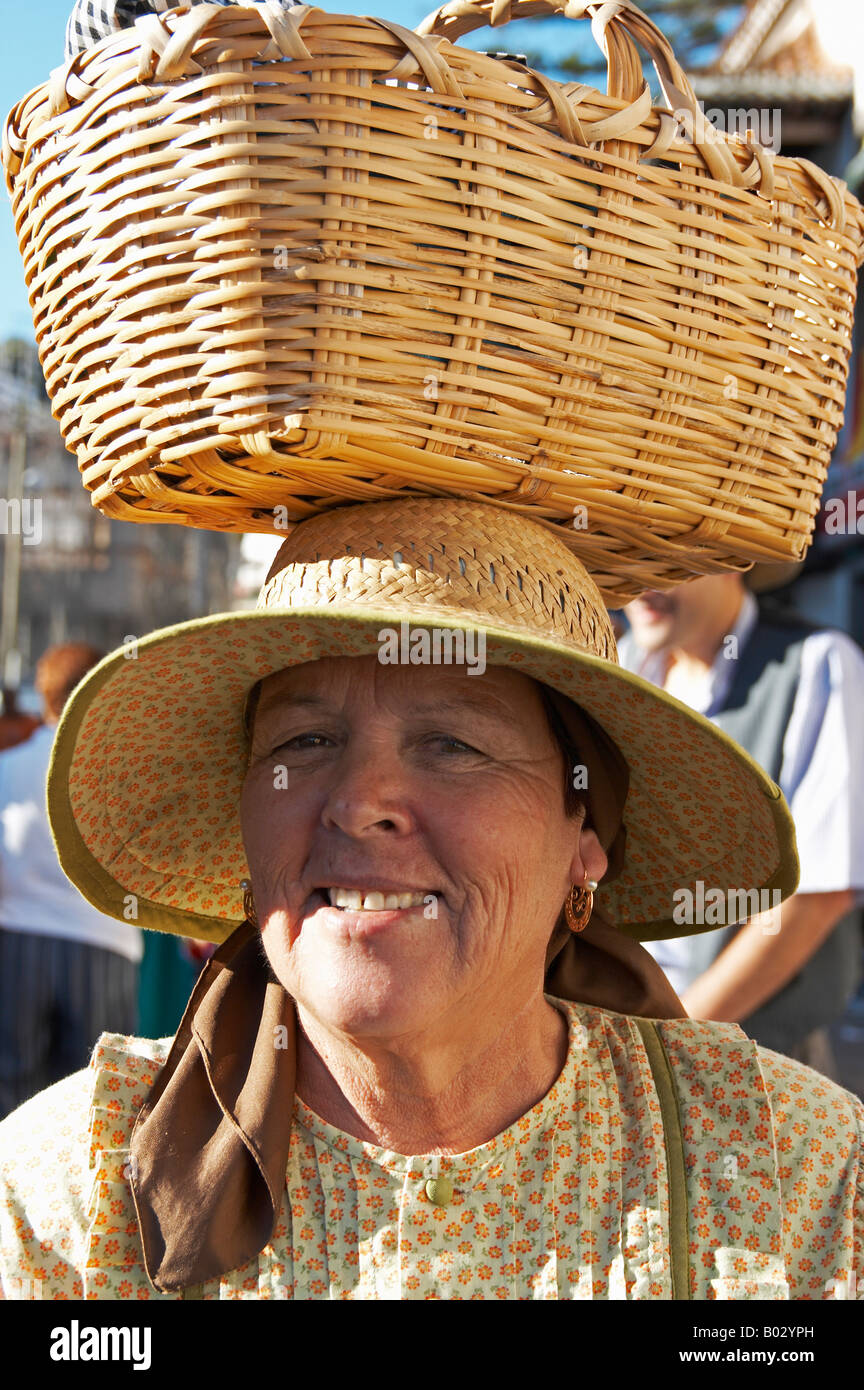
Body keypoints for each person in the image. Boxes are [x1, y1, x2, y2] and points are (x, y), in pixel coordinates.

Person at [0, 499, 861, 1302]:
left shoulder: (793, 1176)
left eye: (452, 743)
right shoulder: (68, 1193)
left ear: (584, 839)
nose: (357, 800)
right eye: (306, 740)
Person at [620, 574, 864, 1073]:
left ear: (730, 556)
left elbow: (817, 897)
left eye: (667, 551)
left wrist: (668, 1043)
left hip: (758, 1062)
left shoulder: (817, 663)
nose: (640, 582)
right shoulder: (620, 664)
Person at [0, 642, 142, 1120]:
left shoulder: (7, 770)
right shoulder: (124, 778)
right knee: (95, 1106)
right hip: (105, 946)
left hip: (17, 944)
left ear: (44, 698)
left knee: (9, 1099)